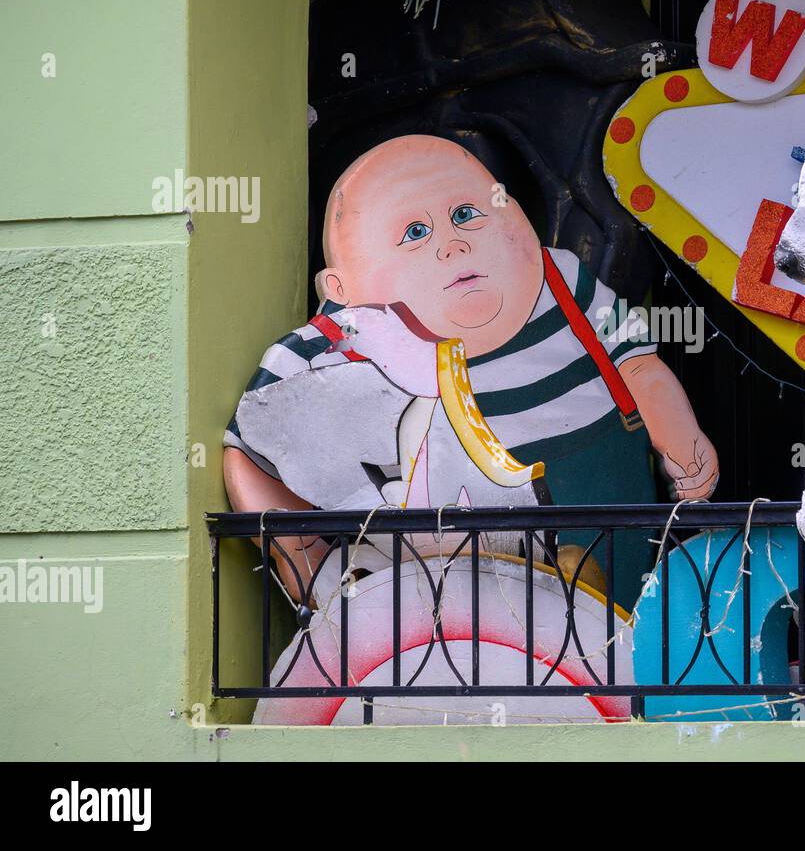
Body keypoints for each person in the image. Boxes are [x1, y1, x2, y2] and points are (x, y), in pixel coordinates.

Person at [224, 135, 718, 610]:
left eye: (464, 215)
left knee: (614, 656)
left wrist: (678, 433)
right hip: (453, 607)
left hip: (615, 552)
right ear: (341, 287)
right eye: (415, 233)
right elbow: (250, 448)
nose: (453, 245)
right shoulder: (341, 340)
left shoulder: (565, 280)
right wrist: (310, 569)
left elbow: (637, 362)